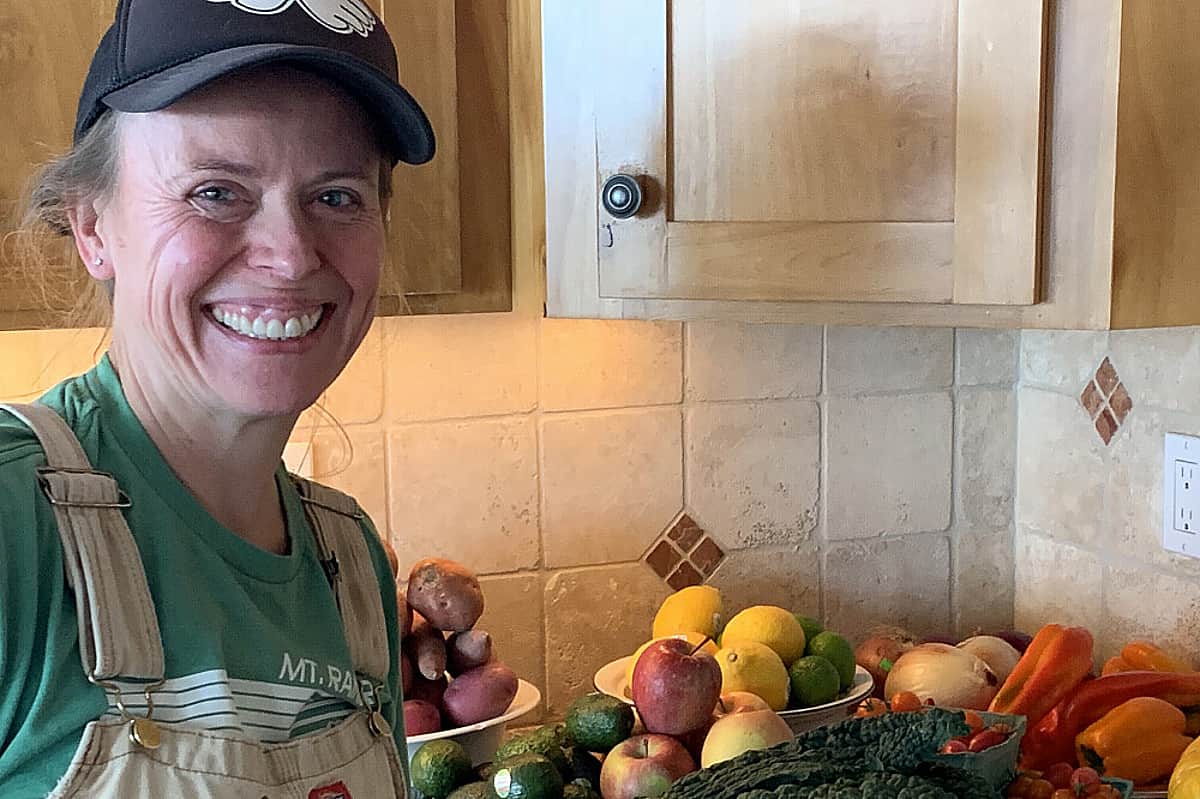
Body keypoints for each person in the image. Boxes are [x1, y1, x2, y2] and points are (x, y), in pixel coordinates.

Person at [0, 0, 435, 795]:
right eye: (215, 191)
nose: (289, 256)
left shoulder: (351, 560)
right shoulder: (14, 526)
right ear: (93, 225)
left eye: (336, 196)